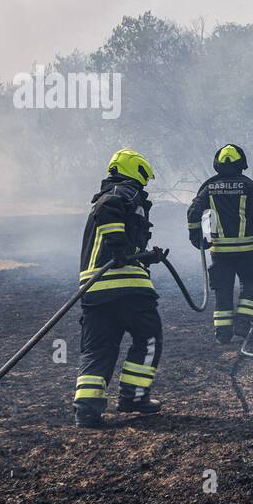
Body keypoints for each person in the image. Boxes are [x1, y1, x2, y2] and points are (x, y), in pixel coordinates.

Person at [73, 148, 168, 428]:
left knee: (98, 348)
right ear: (135, 170)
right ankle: (134, 397)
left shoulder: (111, 193)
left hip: (94, 288)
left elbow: (121, 241)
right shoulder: (124, 192)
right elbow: (109, 212)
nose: (144, 185)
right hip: (126, 286)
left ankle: (87, 410)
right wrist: (120, 247)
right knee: (148, 338)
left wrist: (146, 255)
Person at [186, 144, 253, 343]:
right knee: (252, 282)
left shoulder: (208, 187)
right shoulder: (249, 186)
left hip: (219, 251)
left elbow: (193, 213)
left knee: (223, 289)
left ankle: (222, 334)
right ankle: (243, 323)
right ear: (241, 164)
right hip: (247, 250)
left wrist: (196, 238)